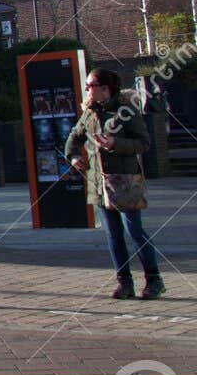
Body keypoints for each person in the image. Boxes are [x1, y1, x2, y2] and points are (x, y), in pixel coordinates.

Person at [66, 67, 165, 300]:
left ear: (104, 88)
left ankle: (154, 279)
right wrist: (73, 156)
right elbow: (73, 136)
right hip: (99, 181)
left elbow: (143, 143)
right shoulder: (89, 112)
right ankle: (124, 283)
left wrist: (114, 144)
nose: (87, 90)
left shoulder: (126, 110)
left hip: (125, 180)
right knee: (113, 235)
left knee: (134, 231)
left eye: (90, 86)